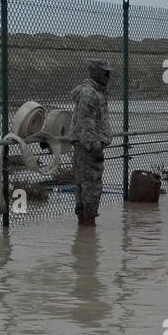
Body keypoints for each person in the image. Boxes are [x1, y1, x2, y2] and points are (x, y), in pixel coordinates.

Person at [68, 59, 112, 226]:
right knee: (91, 186)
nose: (108, 77)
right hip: (88, 148)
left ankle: (85, 233)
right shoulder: (90, 93)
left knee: (84, 185)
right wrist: (94, 147)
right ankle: (88, 227)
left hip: (86, 146)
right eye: (106, 73)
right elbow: (86, 123)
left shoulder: (95, 92)